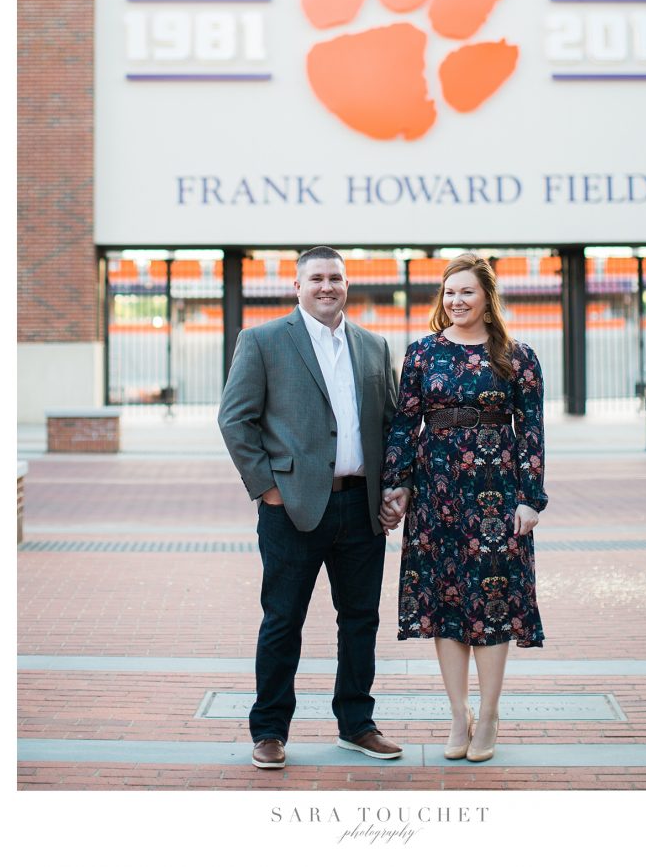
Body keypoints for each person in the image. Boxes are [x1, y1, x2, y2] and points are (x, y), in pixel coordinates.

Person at [218, 246, 402, 769]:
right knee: (282, 621)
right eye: (316, 278)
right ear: (297, 287)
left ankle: (357, 724)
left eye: (336, 278)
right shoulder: (263, 341)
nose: (327, 286)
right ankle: (270, 730)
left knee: (361, 619)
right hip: (291, 509)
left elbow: (389, 426)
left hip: (361, 510)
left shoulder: (373, 345)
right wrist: (267, 488)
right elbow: (235, 420)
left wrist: (394, 487)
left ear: (347, 285)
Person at [380, 252, 547, 763]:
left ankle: (490, 713)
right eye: (450, 293)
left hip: (496, 494)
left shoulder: (517, 357)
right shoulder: (421, 354)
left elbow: (531, 431)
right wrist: (398, 483)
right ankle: (459, 714)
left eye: (467, 292)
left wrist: (530, 497)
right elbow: (406, 424)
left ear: (487, 298)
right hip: (437, 495)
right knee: (446, 603)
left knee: (492, 602)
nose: (456, 301)